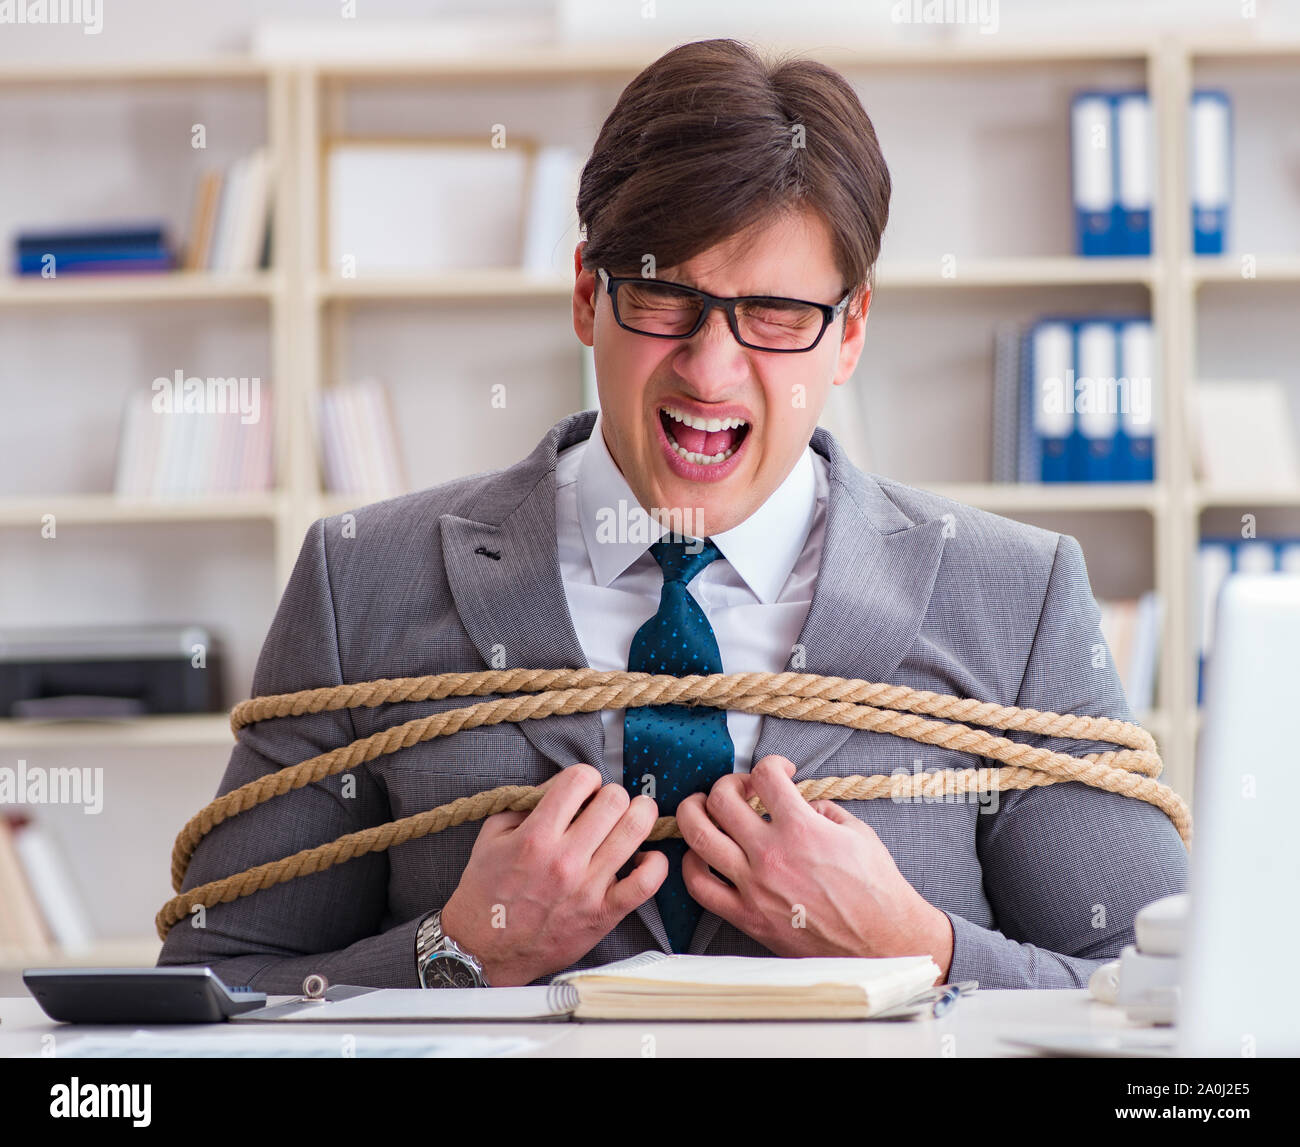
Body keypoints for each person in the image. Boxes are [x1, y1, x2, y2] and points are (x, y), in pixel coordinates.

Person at [159, 38, 1186, 993]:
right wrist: (458, 949)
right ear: (584, 296)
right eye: (662, 302)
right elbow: (211, 989)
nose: (708, 368)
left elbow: (1163, 998)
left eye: (776, 315)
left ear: (850, 332)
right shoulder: (363, 581)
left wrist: (919, 947)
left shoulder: (1014, 594)